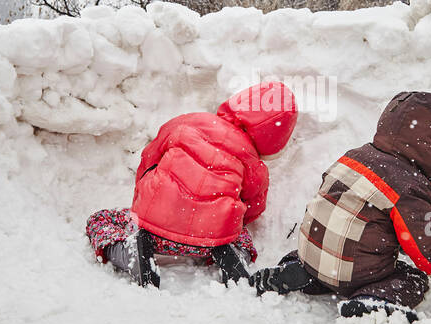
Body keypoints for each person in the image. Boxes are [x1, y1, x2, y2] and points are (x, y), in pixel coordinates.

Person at [250, 91, 431, 322]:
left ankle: (301, 272)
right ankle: (371, 301)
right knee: (412, 279)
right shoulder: (408, 186)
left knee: (337, 249)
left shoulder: (356, 155)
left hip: (310, 252)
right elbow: (427, 248)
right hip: (353, 269)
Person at [86, 82, 298, 288]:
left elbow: (149, 158)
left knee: (101, 219)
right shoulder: (254, 163)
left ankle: (130, 252)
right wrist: (223, 224)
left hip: (152, 229)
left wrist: (145, 199)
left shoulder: (188, 122)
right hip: (210, 242)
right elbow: (253, 208)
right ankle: (234, 258)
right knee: (240, 234)